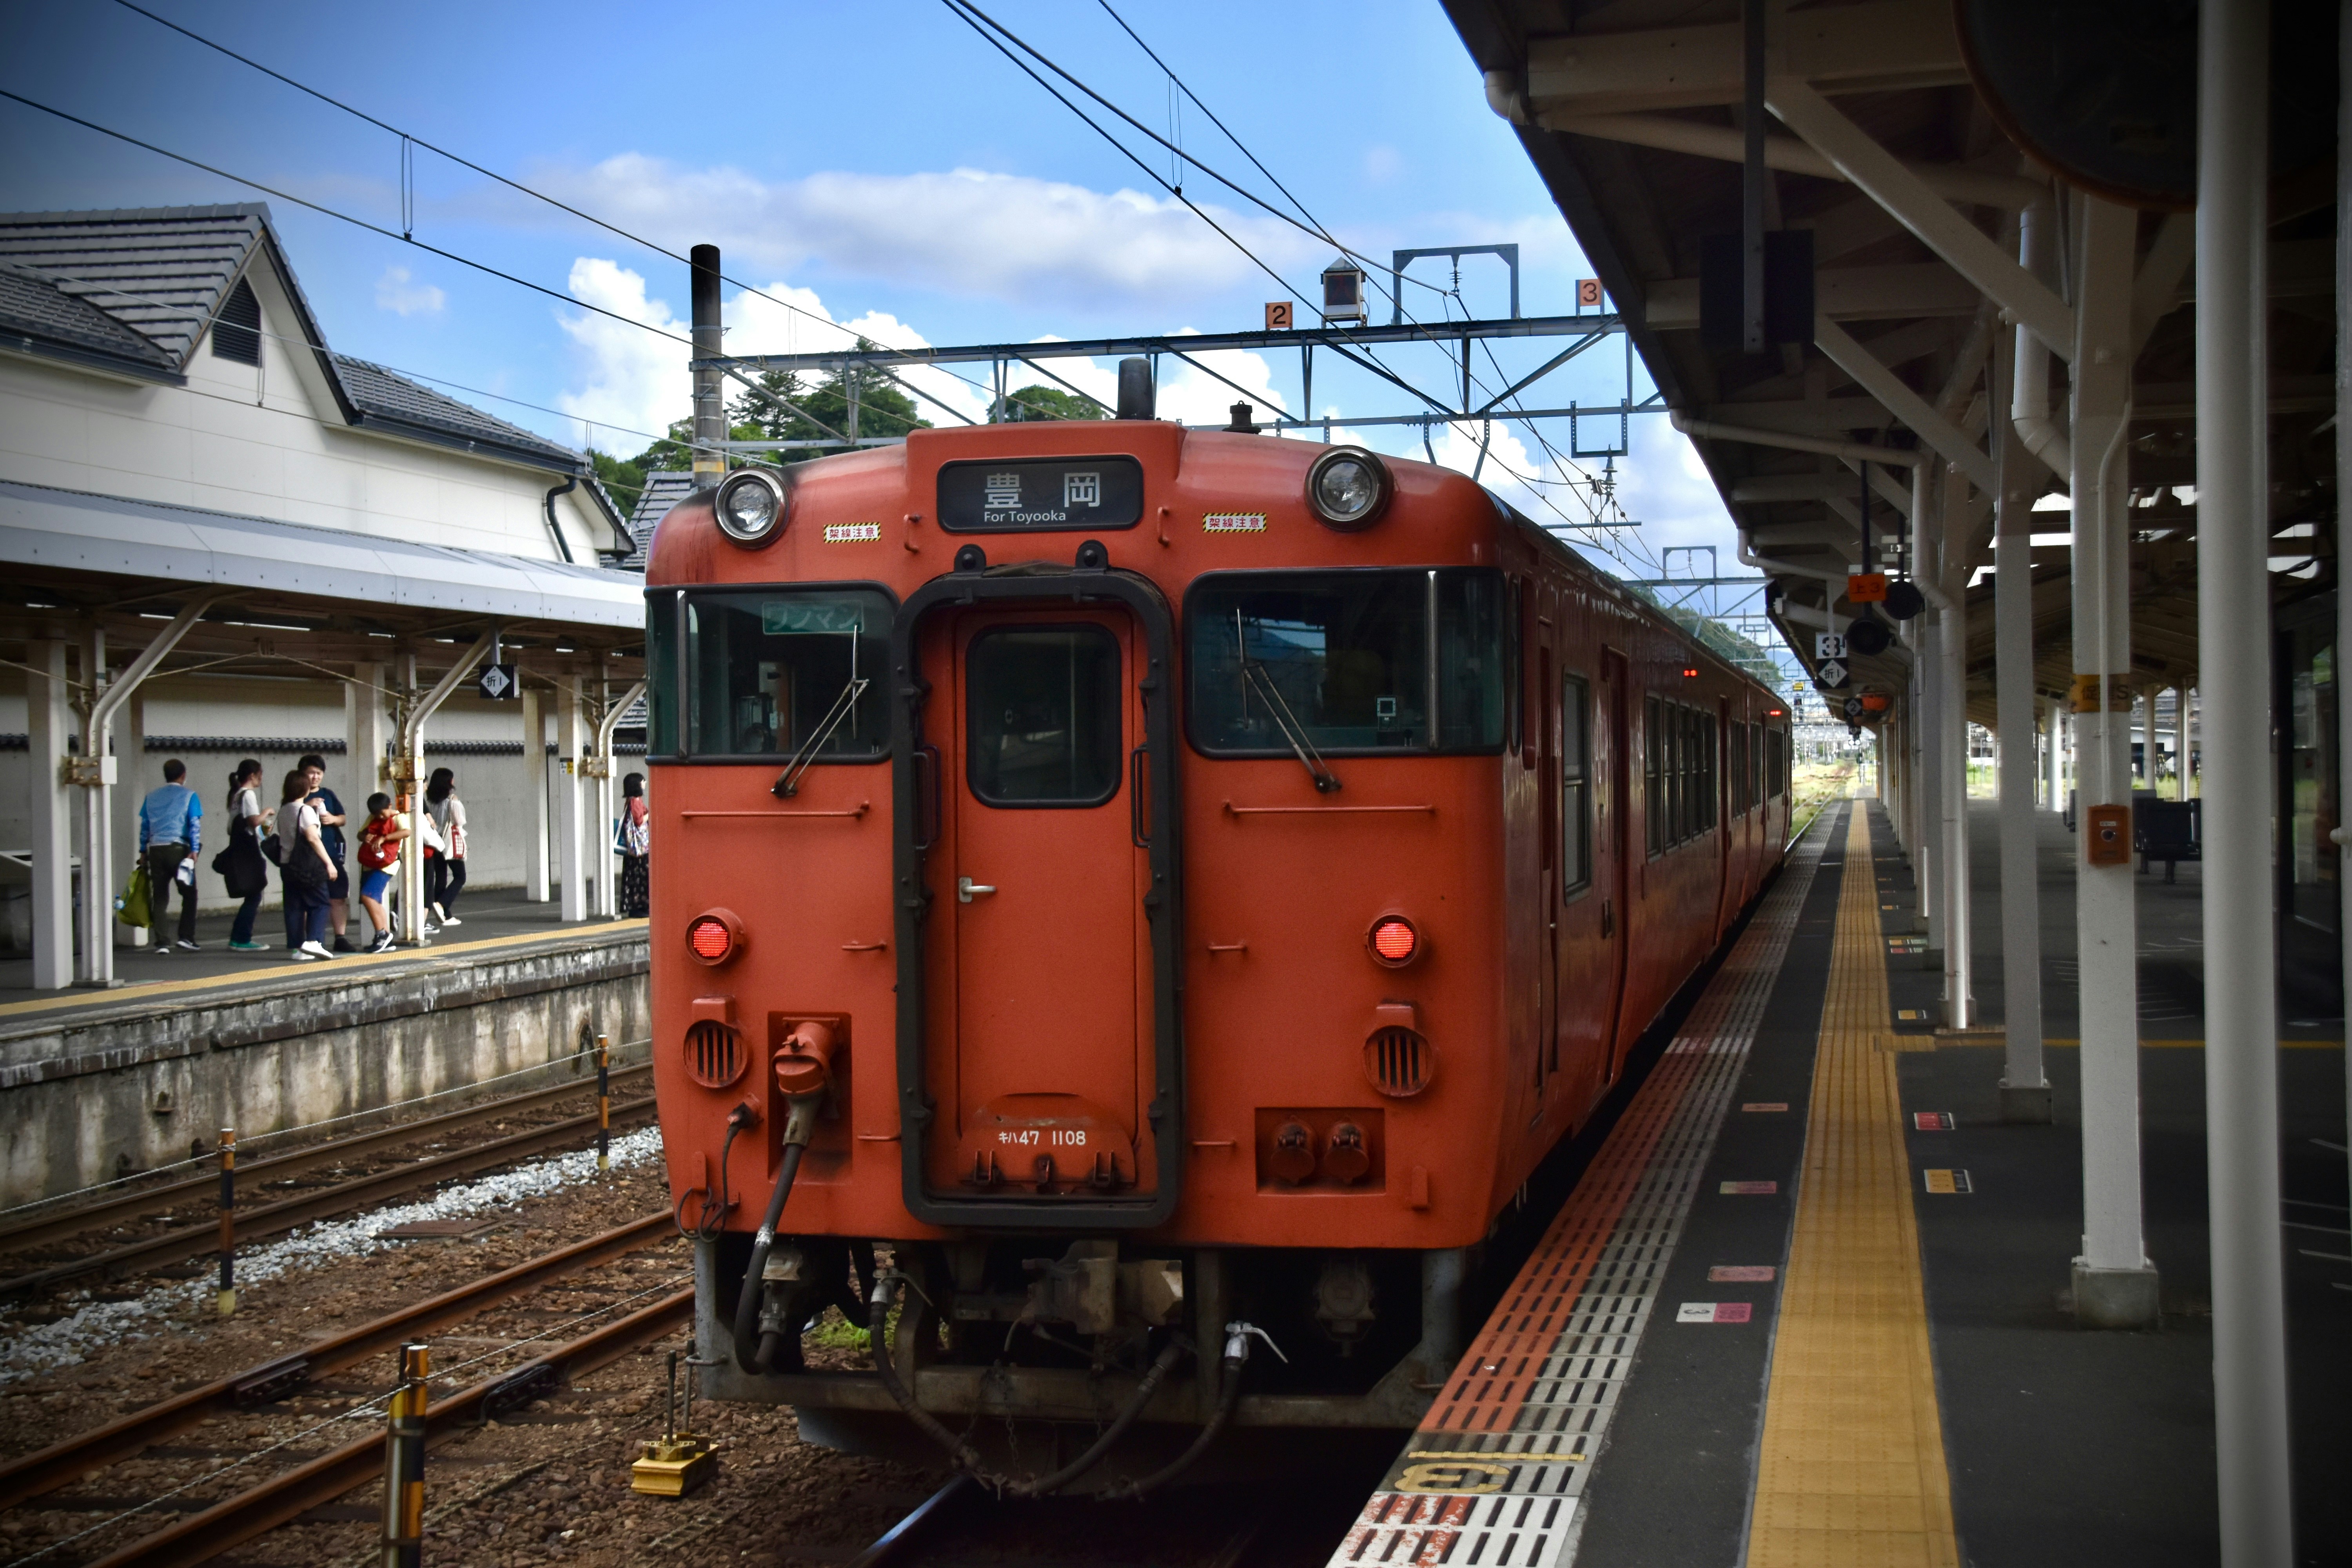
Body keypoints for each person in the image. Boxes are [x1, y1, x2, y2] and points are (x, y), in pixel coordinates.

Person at [137, 759, 203, 953]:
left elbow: (145, 828)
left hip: (156, 849)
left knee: (160, 897)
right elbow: (194, 824)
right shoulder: (190, 796)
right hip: (179, 849)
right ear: (183, 775)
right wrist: (194, 850)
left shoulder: (151, 797)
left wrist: (143, 851)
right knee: (189, 894)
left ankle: (162, 943)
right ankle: (186, 937)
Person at [276, 768, 337, 960]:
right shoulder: (305, 811)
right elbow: (313, 839)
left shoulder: (284, 810)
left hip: (287, 865)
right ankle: (314, 942)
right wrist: (329, 864)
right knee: (320, 903)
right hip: (308, 866)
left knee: (294, 906)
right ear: (305, 790)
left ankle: (297, 949)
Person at [298, 753, 354, 952]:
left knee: (338, 896)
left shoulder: (328, 794)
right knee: (311, 900)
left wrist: (333, 819)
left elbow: (343, 818)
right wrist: (306, 806)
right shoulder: (298, 795)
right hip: (309, 858)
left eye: (319, 773)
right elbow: (289, 813)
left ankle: (340, 937)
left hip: (332, 853)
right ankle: (310, 939)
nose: (315, 777)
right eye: (311, 773)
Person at [219, 759, 271, 951]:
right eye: (261, 774)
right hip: (248, 852)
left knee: (253, 895)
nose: (262, 779)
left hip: (239, 849)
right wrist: (267, 812)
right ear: (253, 776)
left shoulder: (235, 796)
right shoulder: (248, 795)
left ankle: (239, 936)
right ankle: (241, 938)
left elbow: (233, 827)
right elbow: (253, 821)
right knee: (255, 895)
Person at [355, 793, 407, 953]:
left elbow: (406, 832)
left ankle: (381, 935)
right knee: (374, 900)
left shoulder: (399, 817)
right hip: (371, 863)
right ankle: (386, 936)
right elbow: (360, 834)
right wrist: (366, 836)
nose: (379, 817)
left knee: (367, 896)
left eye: (382, 813)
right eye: (376, 814)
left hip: (387, 865)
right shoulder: (373, 818)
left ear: (390, 806)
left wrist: (384, 838)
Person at [424, 767, 468, 927]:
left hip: (434, 842)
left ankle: (446, 915)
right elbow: (460, 821)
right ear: (448, 782)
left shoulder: (428, 801)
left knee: (441, 877)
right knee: (460, 877)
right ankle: (441, 904)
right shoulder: (452, 801)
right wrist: (457, 803)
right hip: (448, 842)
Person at [619, 772, 651, 918]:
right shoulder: (636, 801)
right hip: (640, 848)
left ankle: (635, 906)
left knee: (633, 877)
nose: (644, 784)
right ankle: (641, 906)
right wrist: (651, 814)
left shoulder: (630, 801)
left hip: (635, 848)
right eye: (642, 782)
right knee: (642, 876)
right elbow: (639, 821)